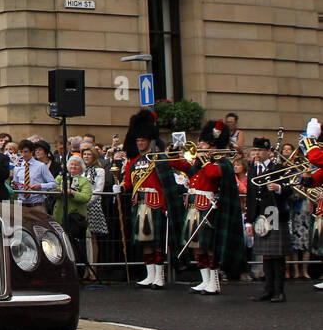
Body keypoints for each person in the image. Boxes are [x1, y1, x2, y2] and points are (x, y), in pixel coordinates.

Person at [122, 109, 183, 289]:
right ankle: (150, 275)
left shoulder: (158, 158)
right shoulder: (132, 162)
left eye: (143, 140)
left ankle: (160, 276)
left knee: (157, 242)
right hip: (139, 203)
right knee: (144, 242)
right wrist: (122, 187)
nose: (140, 143)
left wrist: (165, 205)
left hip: (156, 202)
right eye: (138, 140)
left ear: (150, 140)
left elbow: (165, 182)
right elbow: (129, 182)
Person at [185, 120, 246, 295]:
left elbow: (212, 174)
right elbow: (189, 172)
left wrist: (203, 159)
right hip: (196, 206)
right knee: (198, 246)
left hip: (210, 208)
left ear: (211, 145)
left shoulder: (222, 162)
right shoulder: (202, 161)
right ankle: (205, 280)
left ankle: (214, 282)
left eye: (202, 144)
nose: (199, 146)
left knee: (210, 246)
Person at [246, 137, 290, 302]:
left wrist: (278, 188)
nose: (256, 154)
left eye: (259, 151)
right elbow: (251, 196)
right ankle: (268, 289)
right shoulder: (252, 169)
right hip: (260, 216)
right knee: (265, 255)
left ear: (267, 152)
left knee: (276, 255)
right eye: (254, 150)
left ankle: (279, 291)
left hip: (274, 212)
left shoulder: (278, 168)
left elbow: (289, 190)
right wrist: (249, 221)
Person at [52, 154, 94, 269]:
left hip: (75, 219)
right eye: (72, 164)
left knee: (75, 246)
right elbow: (52, 189)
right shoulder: (60, 178)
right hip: (60, 215)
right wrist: (60, 190)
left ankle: (77, 268)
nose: (74, 166)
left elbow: (86, 196)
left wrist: (73, 193)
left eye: (77, 165)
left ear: (81, 167)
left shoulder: (84, 181)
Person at [11, 139, 57, 207]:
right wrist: (14, 186)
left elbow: (53, 184)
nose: (23, 154)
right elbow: (15, 182)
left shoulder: (41, 166)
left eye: (26, 152)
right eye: (21, 152)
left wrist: (40, 186)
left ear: (32, 152)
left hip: (36, 204)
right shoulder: (17, 166)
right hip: (21, 204)